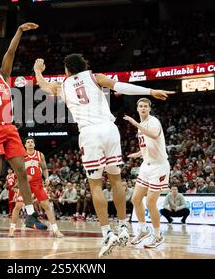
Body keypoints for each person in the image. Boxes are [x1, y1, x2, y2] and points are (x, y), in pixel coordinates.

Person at [33, 55, 174, 257]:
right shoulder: (94, 76)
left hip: (90, 133)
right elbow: (121, 86)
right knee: (116, 180)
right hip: (109, 129)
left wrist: (38, 70)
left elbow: (43, 85)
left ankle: (107, 233)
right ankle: (124, 225)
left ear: (67, 70)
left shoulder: (62, 85)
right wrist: (151, 91)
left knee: (96, 184)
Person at [0, 15, 45, 239]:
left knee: (21, 171)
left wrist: (19, 30)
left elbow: (10, 53)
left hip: (10, 129)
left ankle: (31, 214)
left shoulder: (3, 78)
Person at [125, 98, 171, 248]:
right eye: (140, 106)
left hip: (159, 167)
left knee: (150, 202)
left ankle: (158, 236)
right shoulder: (141, 126)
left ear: (149, 109)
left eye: (146, 106)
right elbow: (148, 146)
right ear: (137, 108)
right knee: (136, 199)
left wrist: (135, 123)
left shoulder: (153, 121)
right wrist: (138, 154)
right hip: (146, 165)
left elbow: (154, 135)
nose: (143, 108)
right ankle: (144, 230)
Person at [9, 137, 63, 238]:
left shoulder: (40, 155)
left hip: (38, 184)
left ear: (34, 144)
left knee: (47, 206)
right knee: (18, 206)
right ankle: (11, 230)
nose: (30, 143)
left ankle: (56, 230)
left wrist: (46, 178)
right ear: (25, 145)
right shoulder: (21, 155)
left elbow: (44, 168)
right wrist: (18, 182)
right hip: (25, 184)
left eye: (31, 142)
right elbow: (18, 171)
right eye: (28, 142)